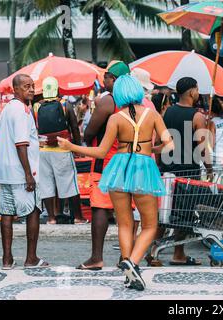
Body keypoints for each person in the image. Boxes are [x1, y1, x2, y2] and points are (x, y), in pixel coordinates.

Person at [58, 74, 173, 289]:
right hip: (143, 167)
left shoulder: (116, 118)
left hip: (118, 167)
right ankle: (132, 263)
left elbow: (101, 152)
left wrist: (72, 147)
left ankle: (128, 266)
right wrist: (152, 149)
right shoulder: (153, 114)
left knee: (124, 223)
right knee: (149, 225)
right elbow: (169, 145)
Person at [0, 74, 49, 269]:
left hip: (4, 170)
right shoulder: (22, 111)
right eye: (27, 87)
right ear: (15, 90)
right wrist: (28, 175)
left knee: (7, 213)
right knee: (34, 210)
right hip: (21, 172)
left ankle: (7, 260)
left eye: (33, 86)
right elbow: (21, 144)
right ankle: (31, 258)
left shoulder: (7, 109)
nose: (32, 90)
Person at [154, 77, 212, 266]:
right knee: (184, 213)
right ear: (191, 92)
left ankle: (152, 249)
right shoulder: (197, 116)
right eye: (196, 89)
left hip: (167, 169)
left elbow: (160, 141)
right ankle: (178, 253)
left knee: (165, 212)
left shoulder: (167, 112)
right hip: (188, 170)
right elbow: (203, 148)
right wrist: (209, 168)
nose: (197, 93)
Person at [78, 60, 130, 270]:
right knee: (126, 210)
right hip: (129, 161)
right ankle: (126, 257)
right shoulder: (137, 102)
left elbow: (90, 132)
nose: (103, 79)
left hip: (106, 161)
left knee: (100, 207)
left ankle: (96, 257)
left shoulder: (109, 101)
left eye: (107, 76)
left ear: (115, 80)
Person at [35, 77, 87, 225]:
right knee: (69, 182)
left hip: (43, 150)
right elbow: (74, 128)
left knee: (46, 183)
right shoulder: (65, 105)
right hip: (62, 148)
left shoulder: (37, 106)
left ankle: (51, 218)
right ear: (57, 89)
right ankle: (78, 217)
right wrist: (78, 148)